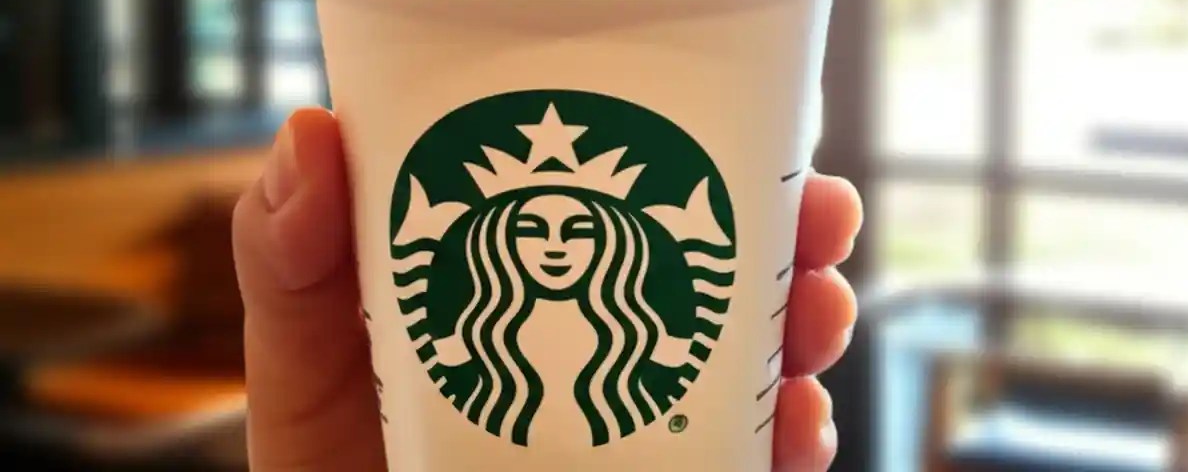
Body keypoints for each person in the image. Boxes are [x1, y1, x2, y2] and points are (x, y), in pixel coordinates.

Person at [232, 108, 861, 472]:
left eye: (578, 229)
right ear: (498, 241)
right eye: (532, 228)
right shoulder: (469, 346)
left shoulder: (646, 348)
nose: (555, 246)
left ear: (614, 241)